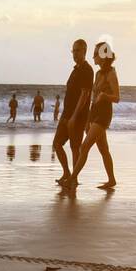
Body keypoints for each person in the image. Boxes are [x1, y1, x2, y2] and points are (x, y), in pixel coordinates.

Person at [64, 40, 118, 190]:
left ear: (102, 56)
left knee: (84, 146)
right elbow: (94, 99)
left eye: (95, 54)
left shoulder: (111, 74)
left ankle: (72, 178)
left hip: (104, 115)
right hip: (94, 114)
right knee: (104, 150)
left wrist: (105, 96)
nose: (93, 57)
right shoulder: (98, 73)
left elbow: (117, 97)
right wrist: (88, 119)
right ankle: (112, 180)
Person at [52, 38, 93, 184]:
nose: (74, 54)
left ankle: (73, 179)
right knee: (57, 144)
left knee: (75, 147)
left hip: (78, 116)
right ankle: (67, 173)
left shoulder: (87, 70)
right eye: (73, 51)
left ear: (84, 51)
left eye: (77, 51)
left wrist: (74, 117)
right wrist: (65, 115)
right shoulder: (75, 69)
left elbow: (85, 95)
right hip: (66, 114)